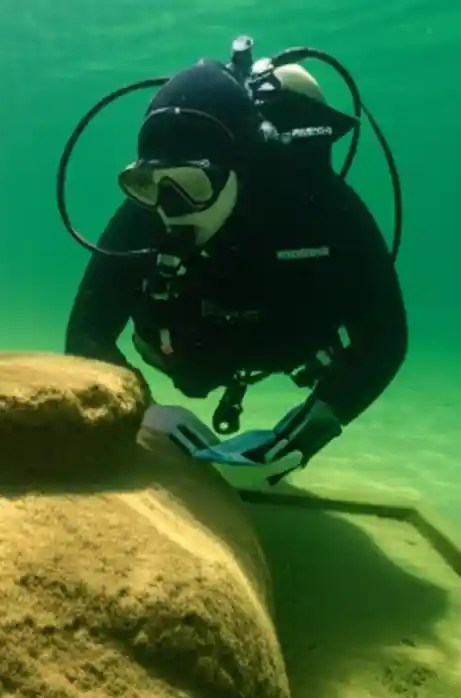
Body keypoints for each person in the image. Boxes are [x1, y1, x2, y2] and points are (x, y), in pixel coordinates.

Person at [60, 41, 407, 484]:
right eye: (148, 183)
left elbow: (385, 339)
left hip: (286, 343)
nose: (169, 207)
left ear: (244, 166)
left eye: (191, 183)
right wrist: (145, 413)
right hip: (187, 354)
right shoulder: (147, 212)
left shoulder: (321, 207)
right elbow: (87, 330)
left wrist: (308, 430)